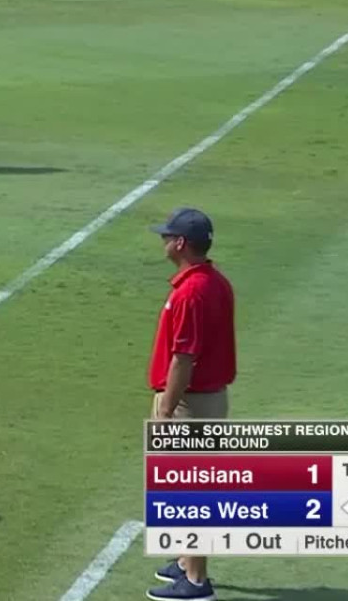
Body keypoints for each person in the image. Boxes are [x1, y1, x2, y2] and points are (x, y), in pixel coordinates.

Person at [145, 207, 236, 601]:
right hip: (205, 399)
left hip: (190, 404)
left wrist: (166, 410)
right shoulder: (213, 282)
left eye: (167, 236)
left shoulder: (191, 293)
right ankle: (185, 560)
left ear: (181, 244)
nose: (163, 240)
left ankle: (197, 582)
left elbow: (184, 357)